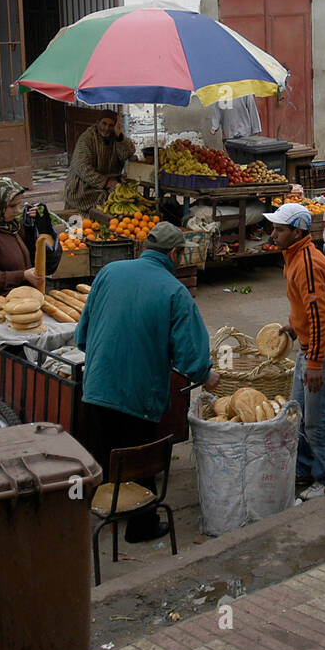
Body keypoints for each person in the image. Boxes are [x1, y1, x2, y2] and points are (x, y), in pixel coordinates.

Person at [75, 222, 220, 540]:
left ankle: (109, 514)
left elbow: (82, 334)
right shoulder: (174, 291)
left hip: (97, 387)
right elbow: (191, 355)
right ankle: (141, 525)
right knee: (139, 463)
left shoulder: (109, 273)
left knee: (106, 453)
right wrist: (206, 374)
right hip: (137, 397)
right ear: (175, 253)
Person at [265, 202, 325, 501]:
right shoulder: (294, 257)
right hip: (311, 347)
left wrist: (314, 363)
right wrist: (293, 326)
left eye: (279, 229)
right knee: (297, 415)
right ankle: (304, 468)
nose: (273, 234)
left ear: (297, 231)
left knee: (317, 420)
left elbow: (320, 316)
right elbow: (308, 309)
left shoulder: (308, 264)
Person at [64, 113, 136, 213]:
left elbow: (128, 153)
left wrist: (119, 136)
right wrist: (105, 182)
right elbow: (82, 167)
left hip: (110, 184)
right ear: (98, 123)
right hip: (84, 187)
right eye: (104, 124)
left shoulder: (115, 137)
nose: (106, 128)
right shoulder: (87, 138)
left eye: (111, 125)